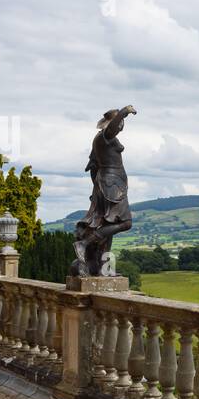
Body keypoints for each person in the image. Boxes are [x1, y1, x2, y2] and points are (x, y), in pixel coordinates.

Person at [72, 105, 136, 277]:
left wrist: (96, 188)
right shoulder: (105, 137)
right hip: (112, 185)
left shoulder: (99, 140)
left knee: (109, 225)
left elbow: (93, 167)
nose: (121, 125)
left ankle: (103, 269)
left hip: (107, 184)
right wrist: (125, 111)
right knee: (125, 223)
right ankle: (85, 243)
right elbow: (113, 127)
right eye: (120, 122)